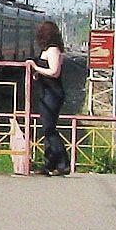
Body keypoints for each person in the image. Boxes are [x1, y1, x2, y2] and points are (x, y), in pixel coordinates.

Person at [26, 21, 70, 176]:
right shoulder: (48, 50)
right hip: (46, 92)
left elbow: (54, 72)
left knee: (50, 129)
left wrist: (36, 67)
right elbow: (47, 72)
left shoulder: (53, 50)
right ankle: (50, 164)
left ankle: (63, 163)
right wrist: (38, 74)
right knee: (47, 129)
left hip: (53, 93)